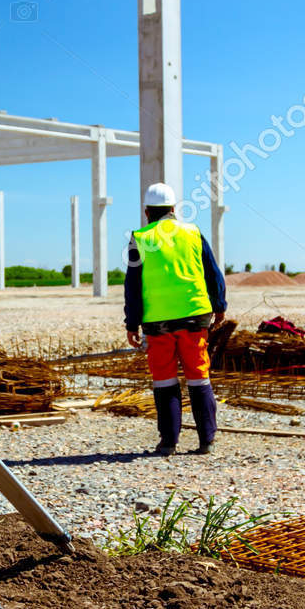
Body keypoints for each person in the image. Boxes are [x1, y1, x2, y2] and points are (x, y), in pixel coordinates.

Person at [124, 182, 227, 456]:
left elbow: (132, 286)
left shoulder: (140, 238)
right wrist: (219, 305)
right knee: (198, 376)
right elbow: (213, 273)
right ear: (173, 209)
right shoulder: (193, 232)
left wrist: (131, 323)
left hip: (158, 323)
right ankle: (207, 440)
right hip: (195, 316)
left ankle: (168, 443)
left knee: (164, 380)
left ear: (147, 212)